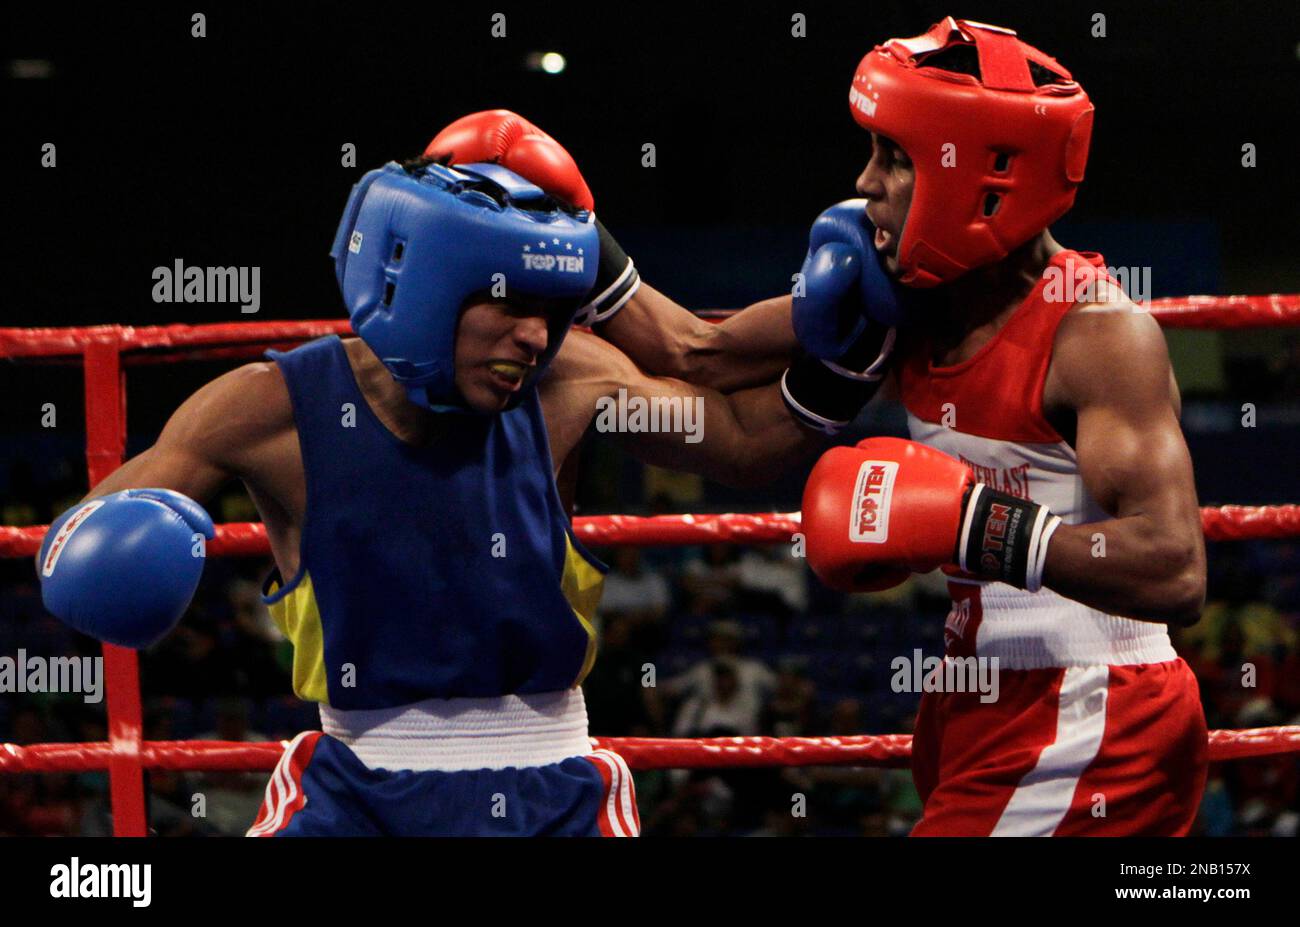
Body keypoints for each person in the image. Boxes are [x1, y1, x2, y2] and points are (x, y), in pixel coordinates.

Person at [446, 17, 1208, 836]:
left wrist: (973, 522)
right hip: (980, 692)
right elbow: (699, 352)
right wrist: (575, 235)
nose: (866, 182)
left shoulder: (1097, 333)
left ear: (983, 180)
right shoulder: (907, 296)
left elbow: (1174, 570)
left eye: (896, 158)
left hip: (1093, 703)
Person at [37, 156, 878, 835]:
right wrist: (111, 553)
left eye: (553, 311)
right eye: (511, 305)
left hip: (556, 791)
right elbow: (76, 542)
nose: (536, 335)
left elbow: (742, 442)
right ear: (424, 287)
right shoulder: (268, 408)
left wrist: (857, 343)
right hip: (350, 792)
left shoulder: (570, 382)